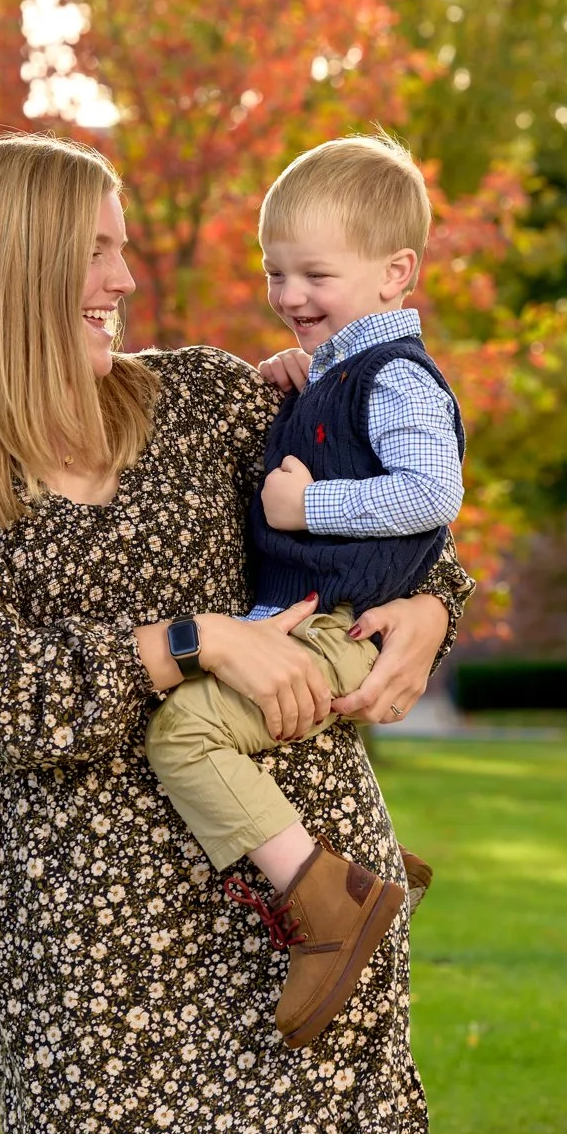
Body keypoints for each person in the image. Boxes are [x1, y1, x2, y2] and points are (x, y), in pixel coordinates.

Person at [0, 132, 469, 1134]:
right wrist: (195, 639)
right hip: (102, 944)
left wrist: (427, 614)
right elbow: (6, 701)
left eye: (123, 250)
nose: (124, 281)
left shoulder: (206, 402)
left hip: (314, 913)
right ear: (10, 261)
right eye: (95, 250)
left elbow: (387, 537)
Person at [143, 133, 465, 1051]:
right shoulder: (337, 371)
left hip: (341, 625)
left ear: (396, 273)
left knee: (188, 730)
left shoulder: (397, 376)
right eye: (274, 272)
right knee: (241, 733)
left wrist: (306, 499)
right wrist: (300, 381)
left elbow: (434, 493)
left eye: (314, 274)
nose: (288, 297)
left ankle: (332, 905)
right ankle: (354, 866)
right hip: (309, 617)